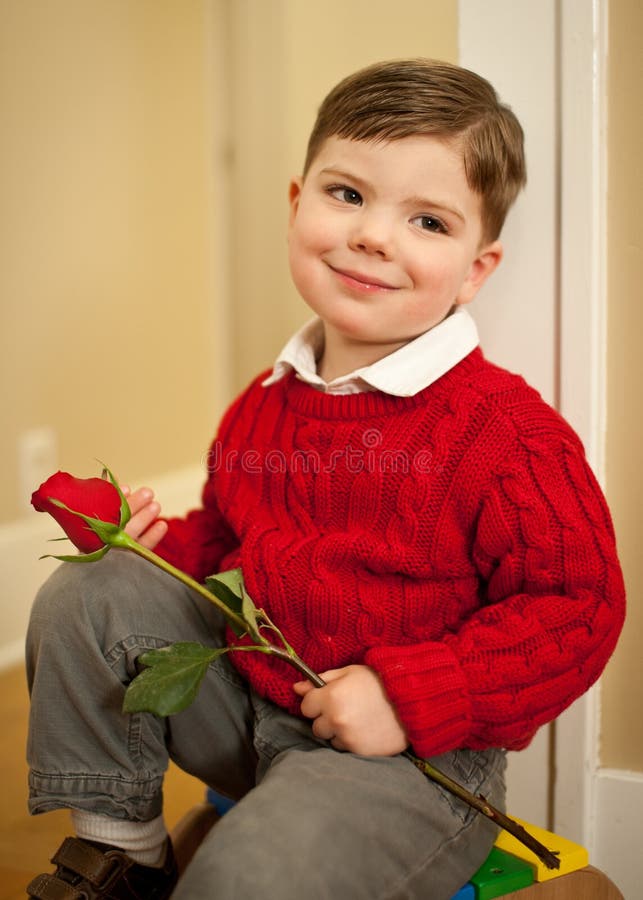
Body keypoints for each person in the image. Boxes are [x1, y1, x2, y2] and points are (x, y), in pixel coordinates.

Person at [26, 59, 625, 900]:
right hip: (250, 703)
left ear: (476, 268)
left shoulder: (505, 435)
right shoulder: (266, 404)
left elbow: (578, 608)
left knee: (251, 875)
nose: (373, 235)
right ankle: (123, 851)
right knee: (88, 594)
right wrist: (154, 546)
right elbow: (240, 541)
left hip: (408, 763)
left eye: (425, 219)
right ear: (296, 201)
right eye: (347, 195)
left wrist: (409, 694)